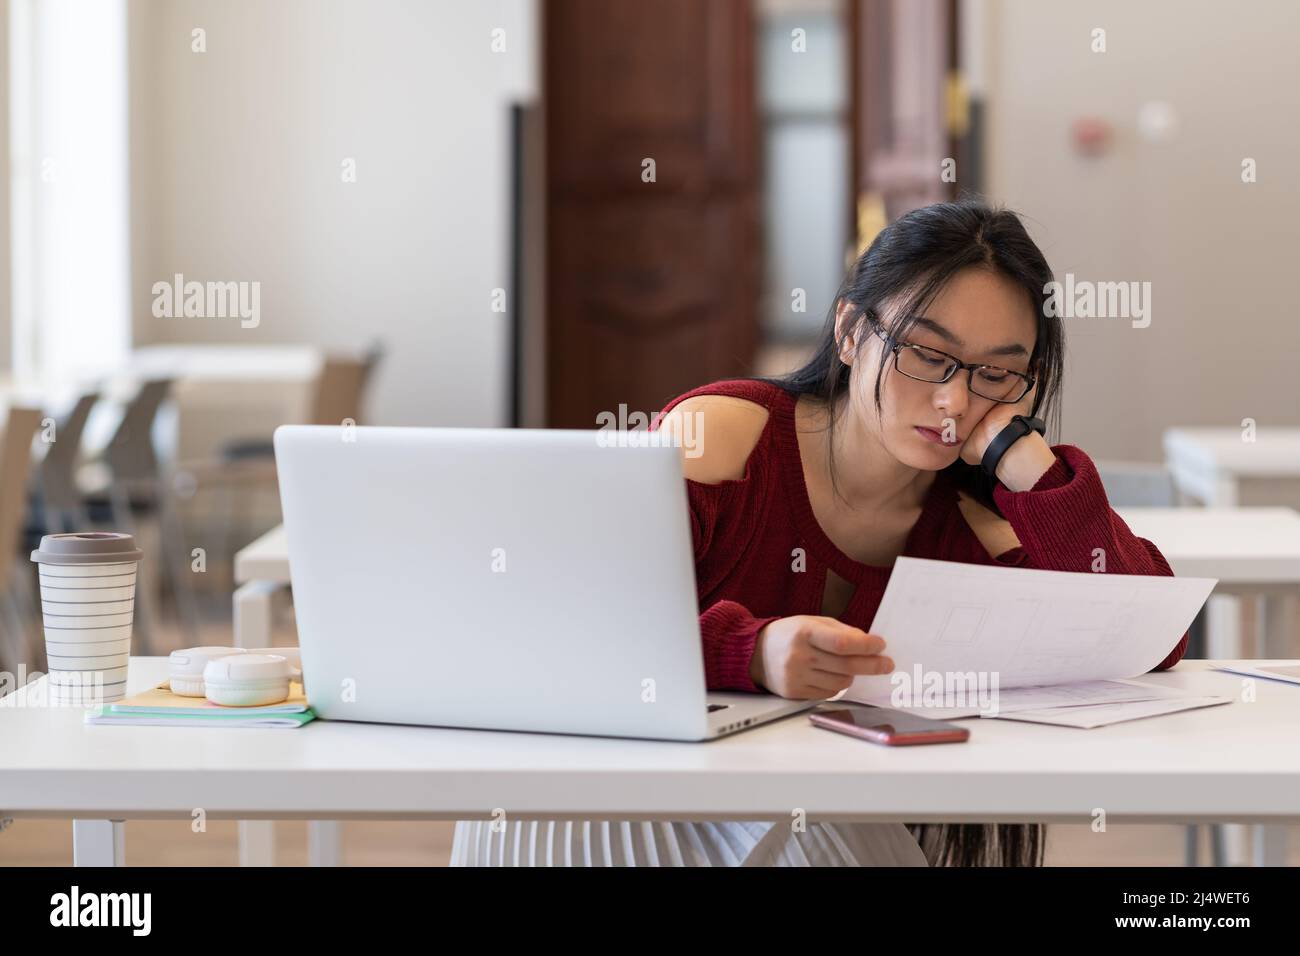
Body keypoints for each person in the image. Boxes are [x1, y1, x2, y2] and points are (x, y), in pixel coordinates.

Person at [451, 199, 1186, 867]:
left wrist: (1037, 471)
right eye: (926, 354)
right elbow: (570, 621)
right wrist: (751, 652)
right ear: (847, 331)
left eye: (999, 374)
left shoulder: (981, 519)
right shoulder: (726, 438)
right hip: (608, 797)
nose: (955, 399)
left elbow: (1155, 640)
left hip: (798, 827)